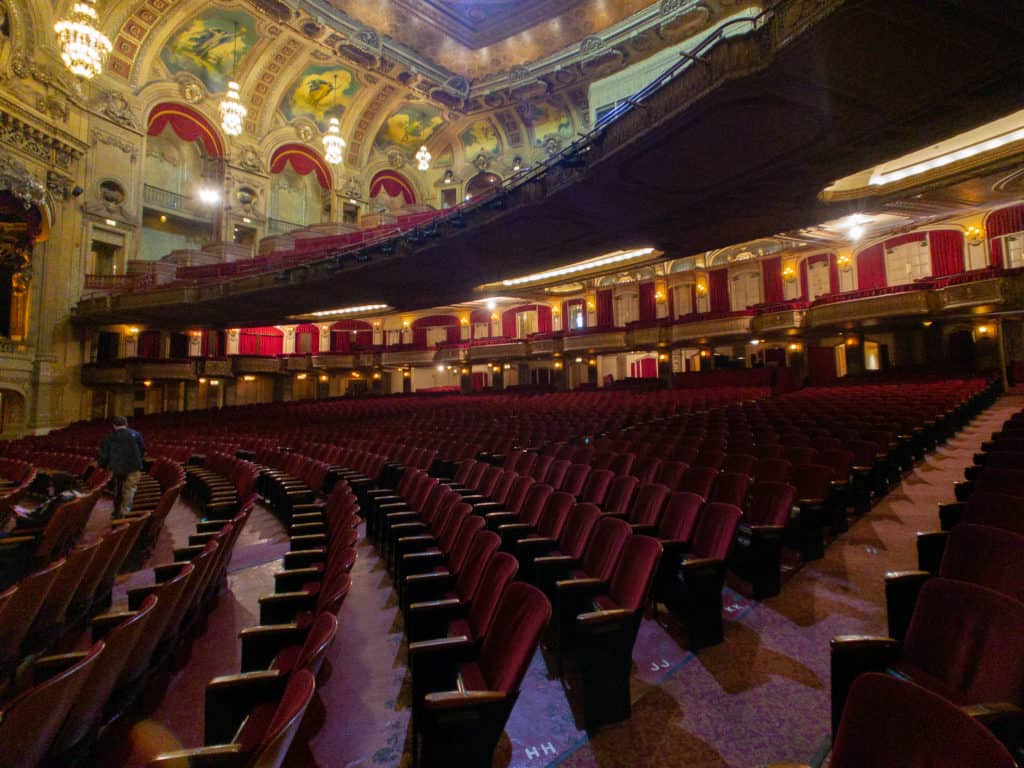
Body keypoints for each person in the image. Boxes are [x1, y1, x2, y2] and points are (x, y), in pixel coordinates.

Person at [99, 415, 146, 518]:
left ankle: (116, 511)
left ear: (114, 425)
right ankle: (125, 512)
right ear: (126, 424)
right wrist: (138, 460)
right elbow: (142, 449)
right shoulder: (136, 434)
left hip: (116, 468)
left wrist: (103, 466)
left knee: (117, 489)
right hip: (133, 467)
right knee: (129, 488)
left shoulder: (109, 437)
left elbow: (104, 455)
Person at [12, 472, 80, 529]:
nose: (48, 488)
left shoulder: (58, 501)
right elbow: (43, 515)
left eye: (51, 485)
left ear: (59, 486)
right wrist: (24, 512)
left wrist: (19, 517)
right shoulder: (69, 496)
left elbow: (40, 523)